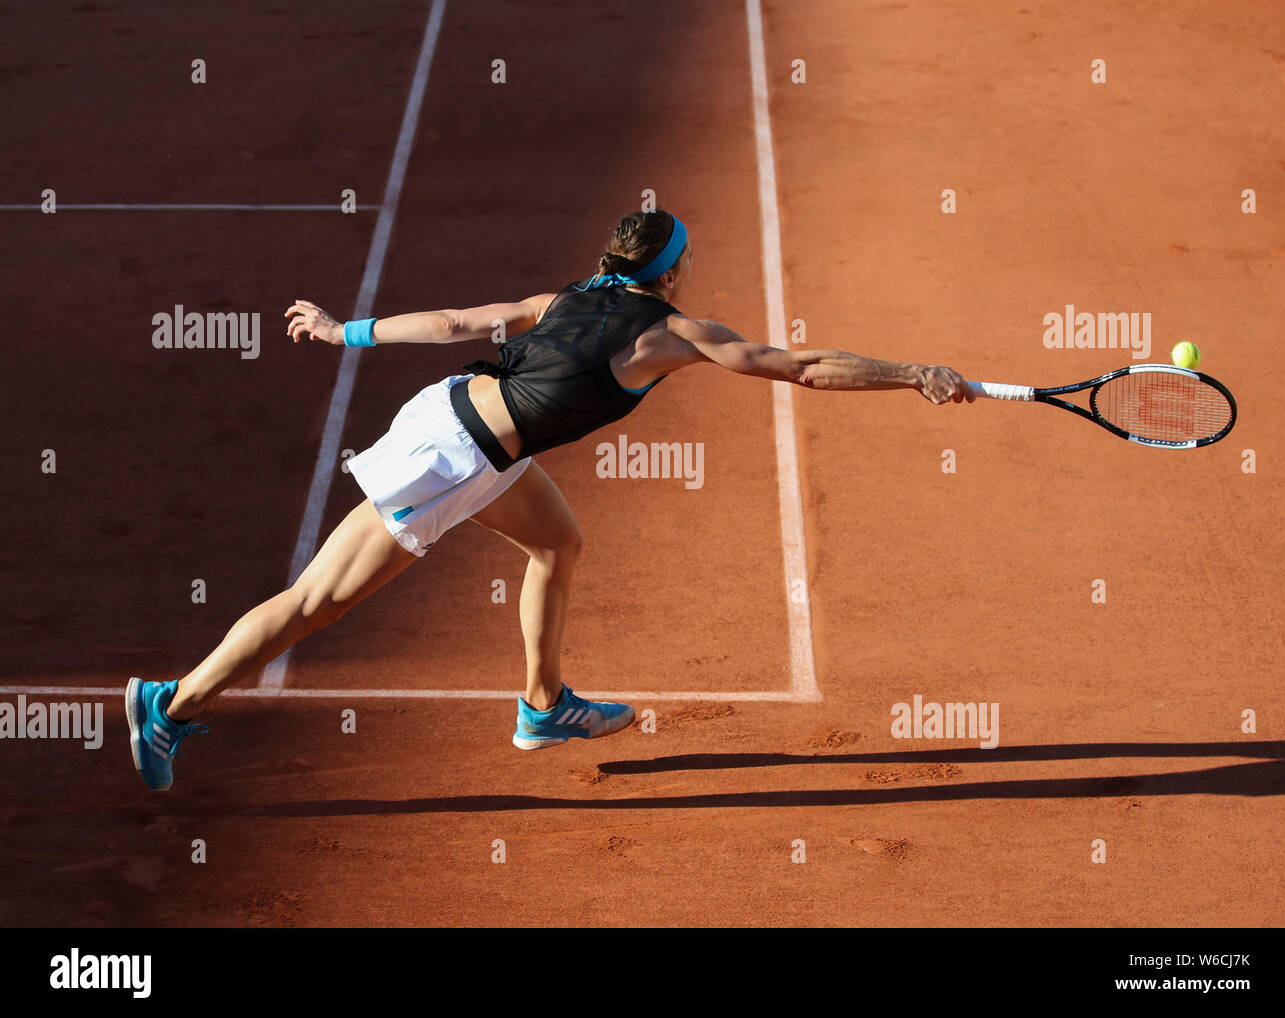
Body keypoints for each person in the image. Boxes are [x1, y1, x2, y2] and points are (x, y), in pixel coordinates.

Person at [126, 209, 971, 790]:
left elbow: (457, 322)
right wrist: (914, 374)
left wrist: (345, 330)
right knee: (316, 602)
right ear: (671, 270)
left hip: (466, 426)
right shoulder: (671, 334)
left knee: (557, 545)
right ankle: (173, 706)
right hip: (453, 463)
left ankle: (543, 706)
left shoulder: (564, 298)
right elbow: (799, 365)